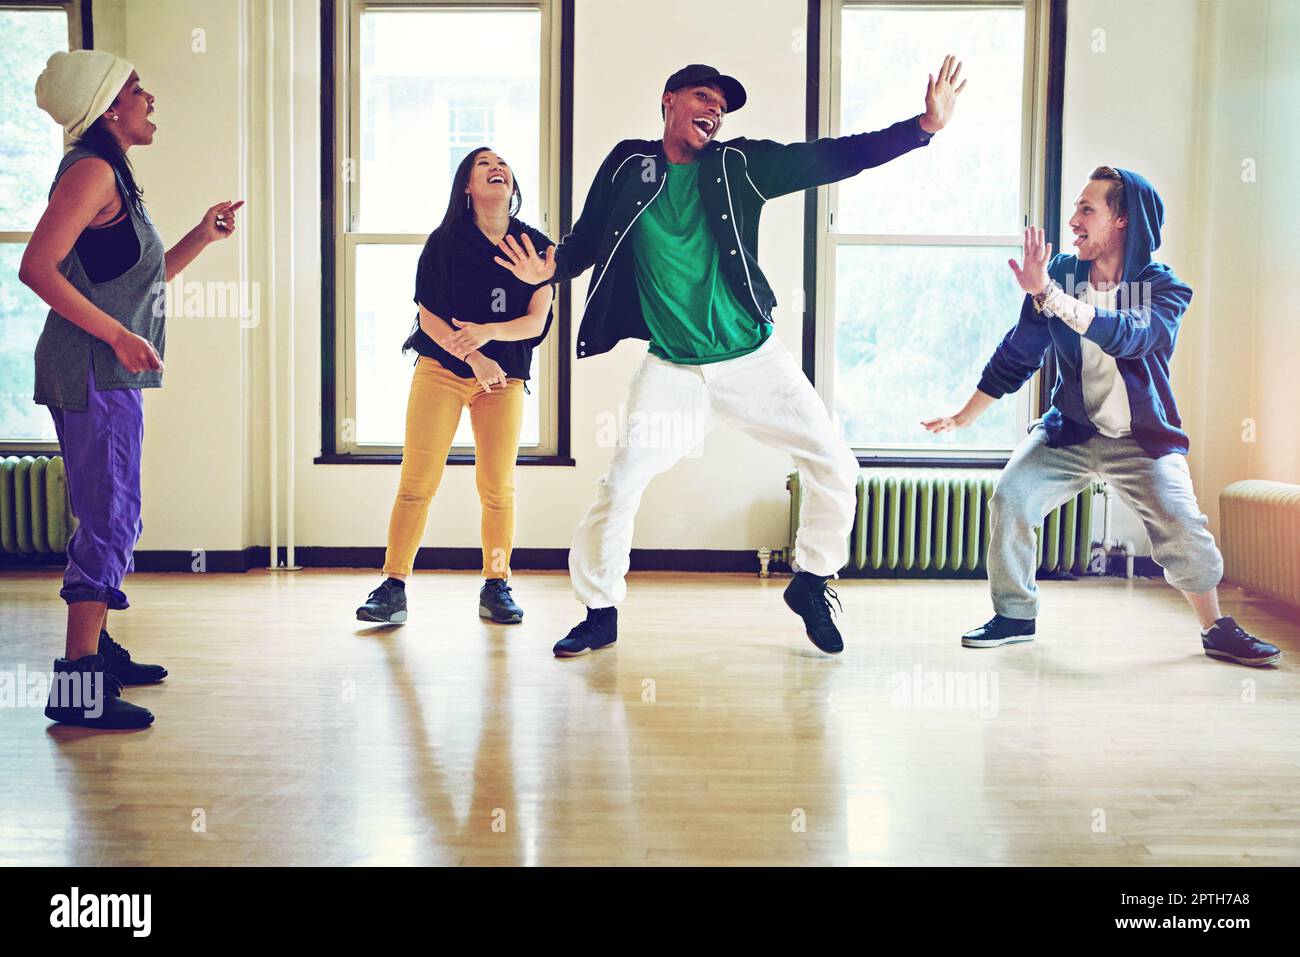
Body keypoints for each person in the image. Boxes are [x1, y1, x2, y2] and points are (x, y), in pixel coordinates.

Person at [495, 61, 966, 656]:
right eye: (702, 97)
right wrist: (554, 267)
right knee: (620, 486)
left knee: (835, 467)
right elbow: (589, 238)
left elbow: (831, 157)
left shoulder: (737, 164)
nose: (714, 112)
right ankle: (599, 611)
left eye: (721, 106)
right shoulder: (626, 163)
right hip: (673, 368)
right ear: (668, 101)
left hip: (753, 360)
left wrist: (921, 127)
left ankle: (813, 580)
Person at [922, 166, 1281, 667]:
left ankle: (1216, 627)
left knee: (1181, 523)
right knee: (1010, 498)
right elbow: (1020, 353)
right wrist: (964, 417)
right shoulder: (1065, 274)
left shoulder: (1161, 288)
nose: (1073, 220)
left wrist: (1048, 295)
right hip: (1069, 431)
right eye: (1075, 208)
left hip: (1141, 439)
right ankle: (1015, 616)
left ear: (1122, 221)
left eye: (1086, 210)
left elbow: (1129, 335)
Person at [22, 50, 244, 729]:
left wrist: (201, 238)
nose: (151, 101)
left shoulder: (110, 172)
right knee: (110, 514)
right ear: (108, 107)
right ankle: (78, 685)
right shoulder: (91, 170)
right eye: (139, 91)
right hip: (93, 370)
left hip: (105, 370)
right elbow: (36, 268)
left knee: (112, 505)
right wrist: (117, 337)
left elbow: (136, 284)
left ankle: (102, 652)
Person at [355, 147, 555, 628]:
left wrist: (488, 335)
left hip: (504, 379)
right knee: (417, 483)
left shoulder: (536, 245)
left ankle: (497, 585)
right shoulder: (444, 242)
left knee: (497, 487)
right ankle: (392, 587)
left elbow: (535, 322)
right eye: (483, 164)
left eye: (503, 163)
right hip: (441, 370)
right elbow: (429, 314)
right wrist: (473, 355)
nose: (497, 168)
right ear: (466, 185)